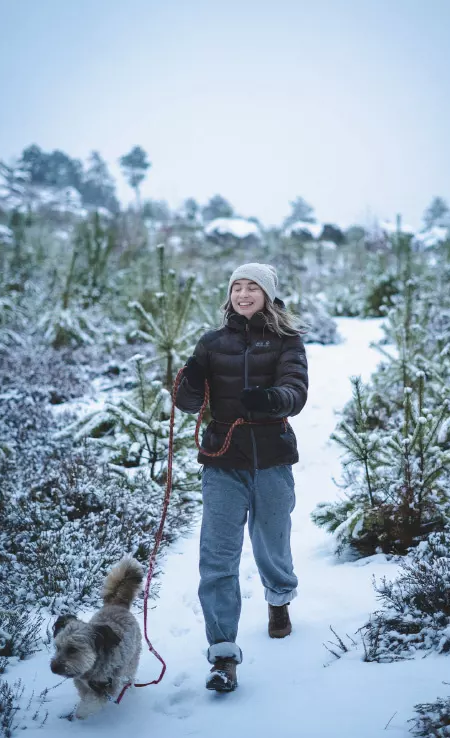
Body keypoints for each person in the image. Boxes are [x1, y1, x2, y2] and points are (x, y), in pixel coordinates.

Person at [174, 263, 309, 693]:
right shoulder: (212, 343)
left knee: (272, 543)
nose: (244, 294)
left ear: (268, 295)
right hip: (222, 460)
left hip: (271, 459)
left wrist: (272, 399)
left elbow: (297, 390)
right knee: (217, 558)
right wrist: (191, 380)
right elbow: (188, 402)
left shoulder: (288, 342)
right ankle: (223, 655)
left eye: (253, 287)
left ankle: (279, 599)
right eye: (237, 287)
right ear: (229, 295)